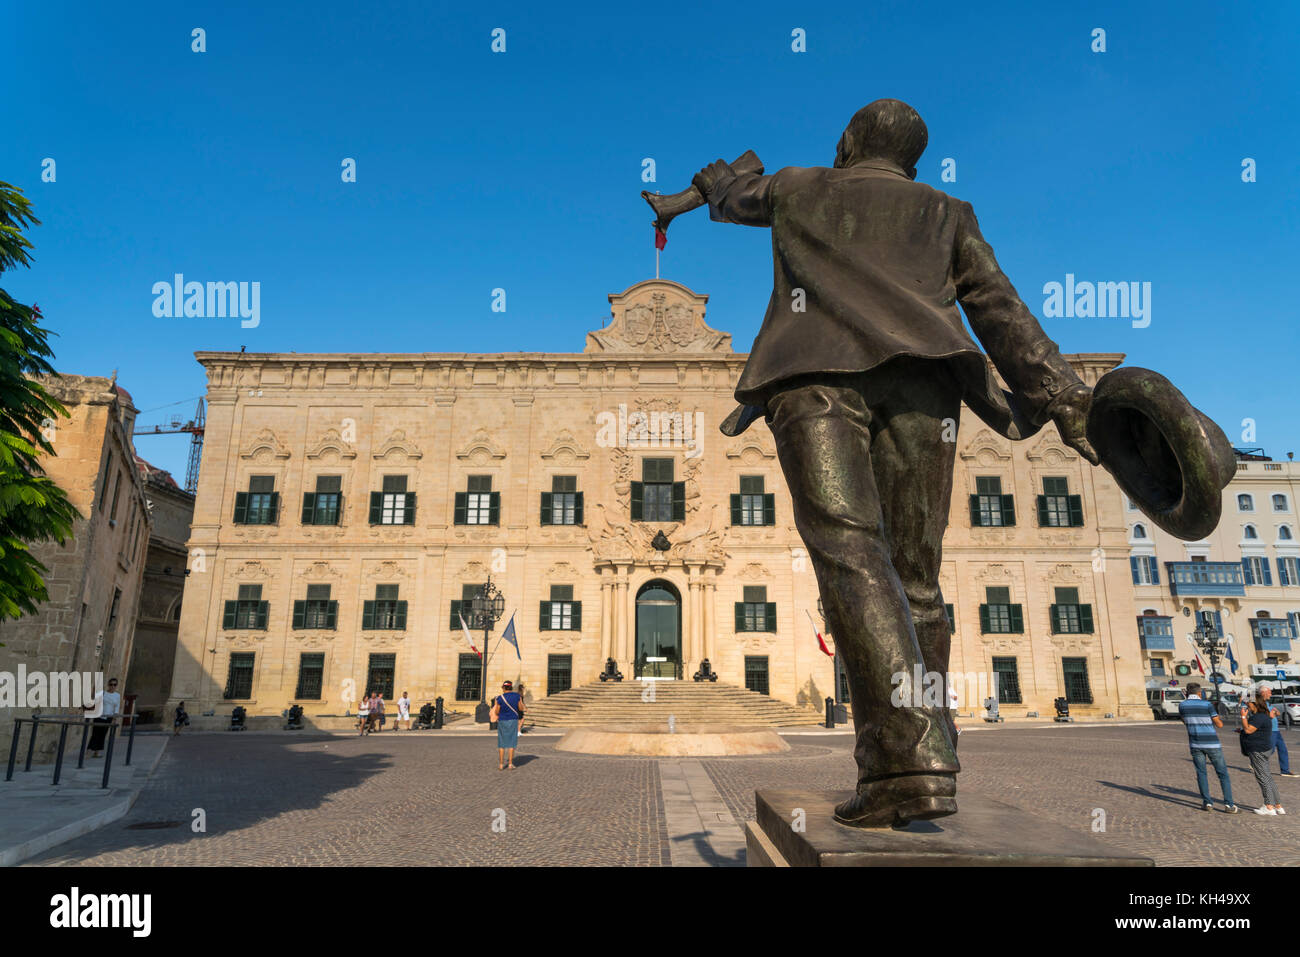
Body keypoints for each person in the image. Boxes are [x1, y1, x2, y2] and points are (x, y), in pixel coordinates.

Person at [692, 99, 1102, 827]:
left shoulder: (798, 184)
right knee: (915, 578)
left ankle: (907, 760)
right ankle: (917, 759)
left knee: (851, 551)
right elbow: (998, 308)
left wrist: (718, 180)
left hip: (815, 377)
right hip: (928, 386)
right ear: (912, 159)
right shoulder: (948, 210)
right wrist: (1064, 395)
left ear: (848, 142)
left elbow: (730, 200)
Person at [1177, 682, 1236, 813]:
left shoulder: (1182, 705)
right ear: (1199, 693)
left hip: (1195, 743)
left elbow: (1184, 721)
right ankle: (1229, 805)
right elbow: (1219, 724)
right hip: (1212, 743)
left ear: (1187, 692)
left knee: (1201, 773)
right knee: (1222, 774)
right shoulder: (1207, 705)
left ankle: (1207, 803)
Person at [1241, 694, 1284, 815]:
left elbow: (1249, 730)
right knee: (1268, 777)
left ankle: (1269, 806)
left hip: (1258, 749)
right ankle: (1278, 805)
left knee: (1262, 777)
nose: (1246, 705)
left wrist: (1243, 717)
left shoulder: (1258, 717)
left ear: (1254, 704)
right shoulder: (1264, 716)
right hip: (1264, 748)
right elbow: (1256, 729)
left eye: (1248, 703)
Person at [1259, 686, 1295, 776]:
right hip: (1269, 730)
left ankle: (1285, 770)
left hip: (1276, 730)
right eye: (1269, 692)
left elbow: (1275, 713)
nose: (1271, 694)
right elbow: (1263, 717)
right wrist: (1271, 715)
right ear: (1263, 693)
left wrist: (1276, 712)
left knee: (1283, 749)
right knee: (1270, 750)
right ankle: (1257, 763)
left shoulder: (1267, 703)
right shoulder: (1260, 704)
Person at [491, 680, 524, 770]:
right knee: (511, 743)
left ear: (504, 688)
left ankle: (501, 764)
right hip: (513, 720)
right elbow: (521, 708)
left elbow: (497, 711)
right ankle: (510, 764)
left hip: (502, 721)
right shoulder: (517, 696)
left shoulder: (499, 698)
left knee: (501, 743)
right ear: (511, 687)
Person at [86, 678, 121, 757]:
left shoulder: (117, 696)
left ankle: (96, 752)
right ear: (108, 685)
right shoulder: (103, 693)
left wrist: (114, 719)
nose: (113, 686)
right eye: (111, 684)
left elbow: (116, 707)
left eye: (114, 685)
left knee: (103, 735)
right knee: (95, 734)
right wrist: (94, 689)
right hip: (99, 716)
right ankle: (88, 752)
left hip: (108, 718)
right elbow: (93, 698)